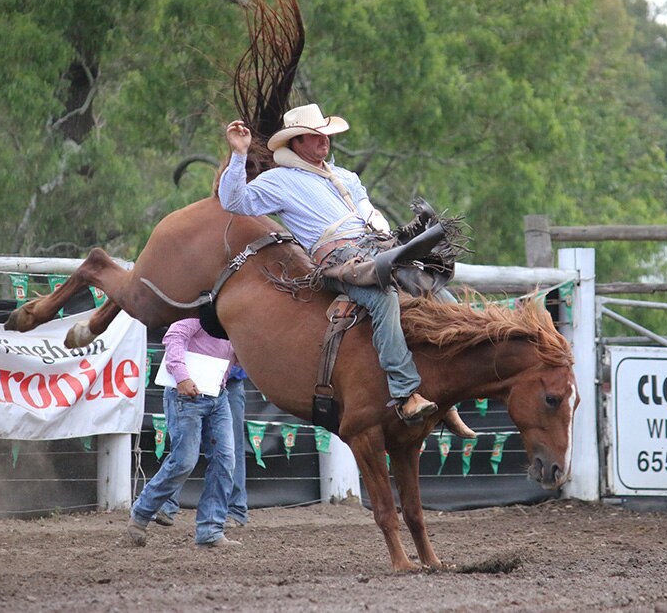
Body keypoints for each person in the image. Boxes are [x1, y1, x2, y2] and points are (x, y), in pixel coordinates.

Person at [218, 103, 459, 428]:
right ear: (296, 142)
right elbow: (234, 201)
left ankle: (451, 390)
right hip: (338, 261)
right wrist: (238, 154)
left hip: (375, 248)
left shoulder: (345, 176)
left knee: (435, 289)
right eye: (314, 136)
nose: (324, 142)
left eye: (325, 135)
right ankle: (405, 392)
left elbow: (365, 208)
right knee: (383, 299)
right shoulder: (278, 181)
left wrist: (386, 231)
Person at [127, 318, 246, 549]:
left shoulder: (231, 322)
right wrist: (182, 376)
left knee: (222, 460)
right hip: (189, 395)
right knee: (185, 461)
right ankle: (143, 512)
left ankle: (210, 530)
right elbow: (174, 336)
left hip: (215, 394)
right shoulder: (202, 315)